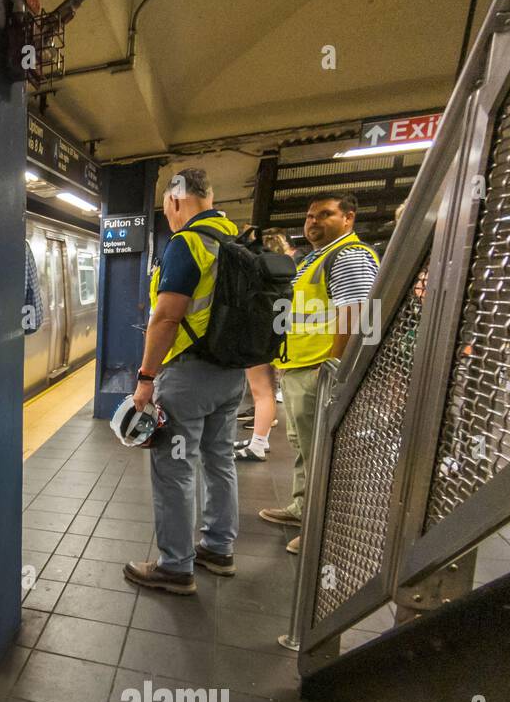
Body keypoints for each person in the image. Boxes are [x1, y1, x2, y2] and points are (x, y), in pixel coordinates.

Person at [124, 168, 246, 595]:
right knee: (219, 461)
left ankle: (176, 566)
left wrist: (144, 380)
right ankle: (218, 547)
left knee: (175, 468)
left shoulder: (187, 244)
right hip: (231, 377)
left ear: (175, 200)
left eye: (166, 208)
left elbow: (167, 317)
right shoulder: (236, 239)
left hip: (188, 378)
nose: (168, 216)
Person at [261, 193, 380, 553]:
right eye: (310, 216)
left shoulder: (349, 257)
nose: (313, 222)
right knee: (305, 447)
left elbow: (359, 316)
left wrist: (335, 371)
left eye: (325, 214)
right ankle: (303, 508)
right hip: (300, 367)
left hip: (320, 371)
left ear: (349, 219)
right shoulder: (313, 260)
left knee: (324, 453)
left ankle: (325, 531)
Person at [234, 229, 295, 462]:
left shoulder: (258, 276)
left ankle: (258, 443)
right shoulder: (283, 276)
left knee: (261, 391)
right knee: (266, 390)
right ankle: (260, 438)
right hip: (275, 336)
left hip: (258, 335)